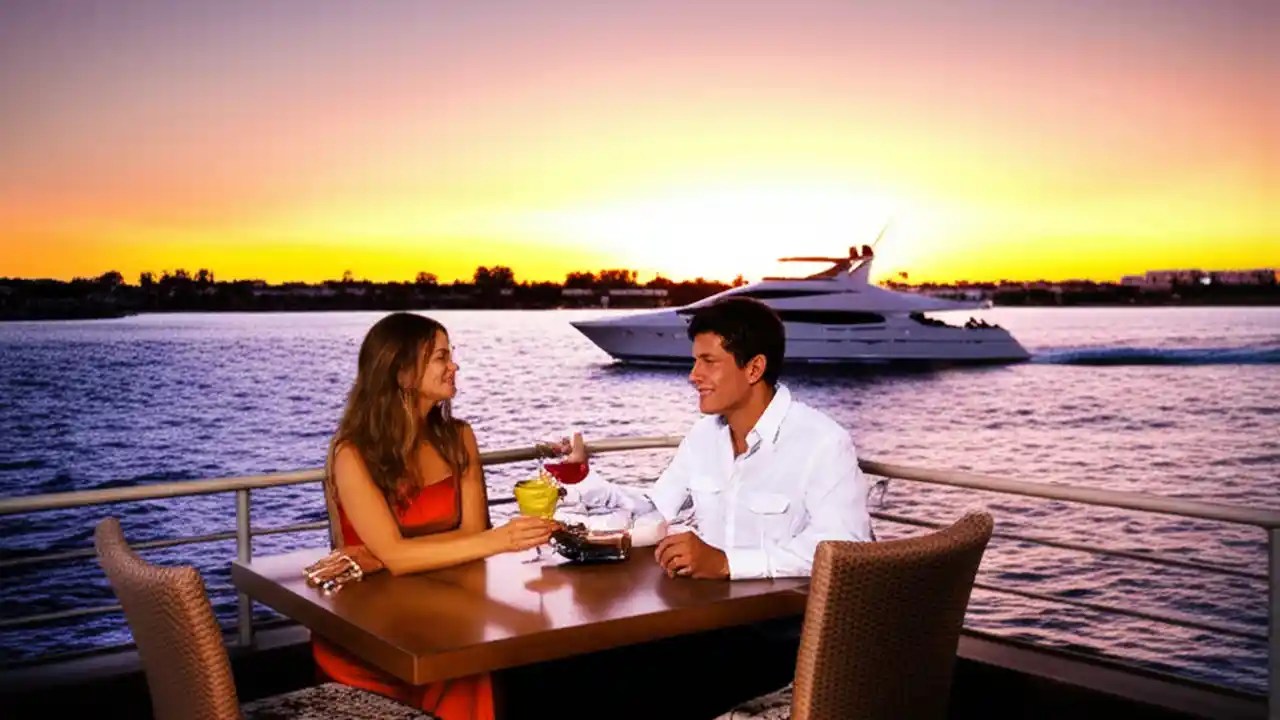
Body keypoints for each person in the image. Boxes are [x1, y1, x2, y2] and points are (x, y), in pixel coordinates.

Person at [314, 312, 578, 719]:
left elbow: (467, 533)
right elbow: (417, 554)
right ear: (402, 373)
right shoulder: (351, 453)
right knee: (462, 661)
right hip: (369, 631)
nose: (454, 366)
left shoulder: (459, 438)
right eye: (441, 357)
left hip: (441, 612)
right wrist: (500, 539)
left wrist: (385, 555)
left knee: (466, 660)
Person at [575, 296, 873, 580]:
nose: (694, 375)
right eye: (695, 361)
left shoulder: (823, 443)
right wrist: (579, 478)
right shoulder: (702, 436)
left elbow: (844, 546)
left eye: (708, 361)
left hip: (789, 612)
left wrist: (728, 564)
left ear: (754, 368)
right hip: (708, 603)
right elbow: (656, 508)